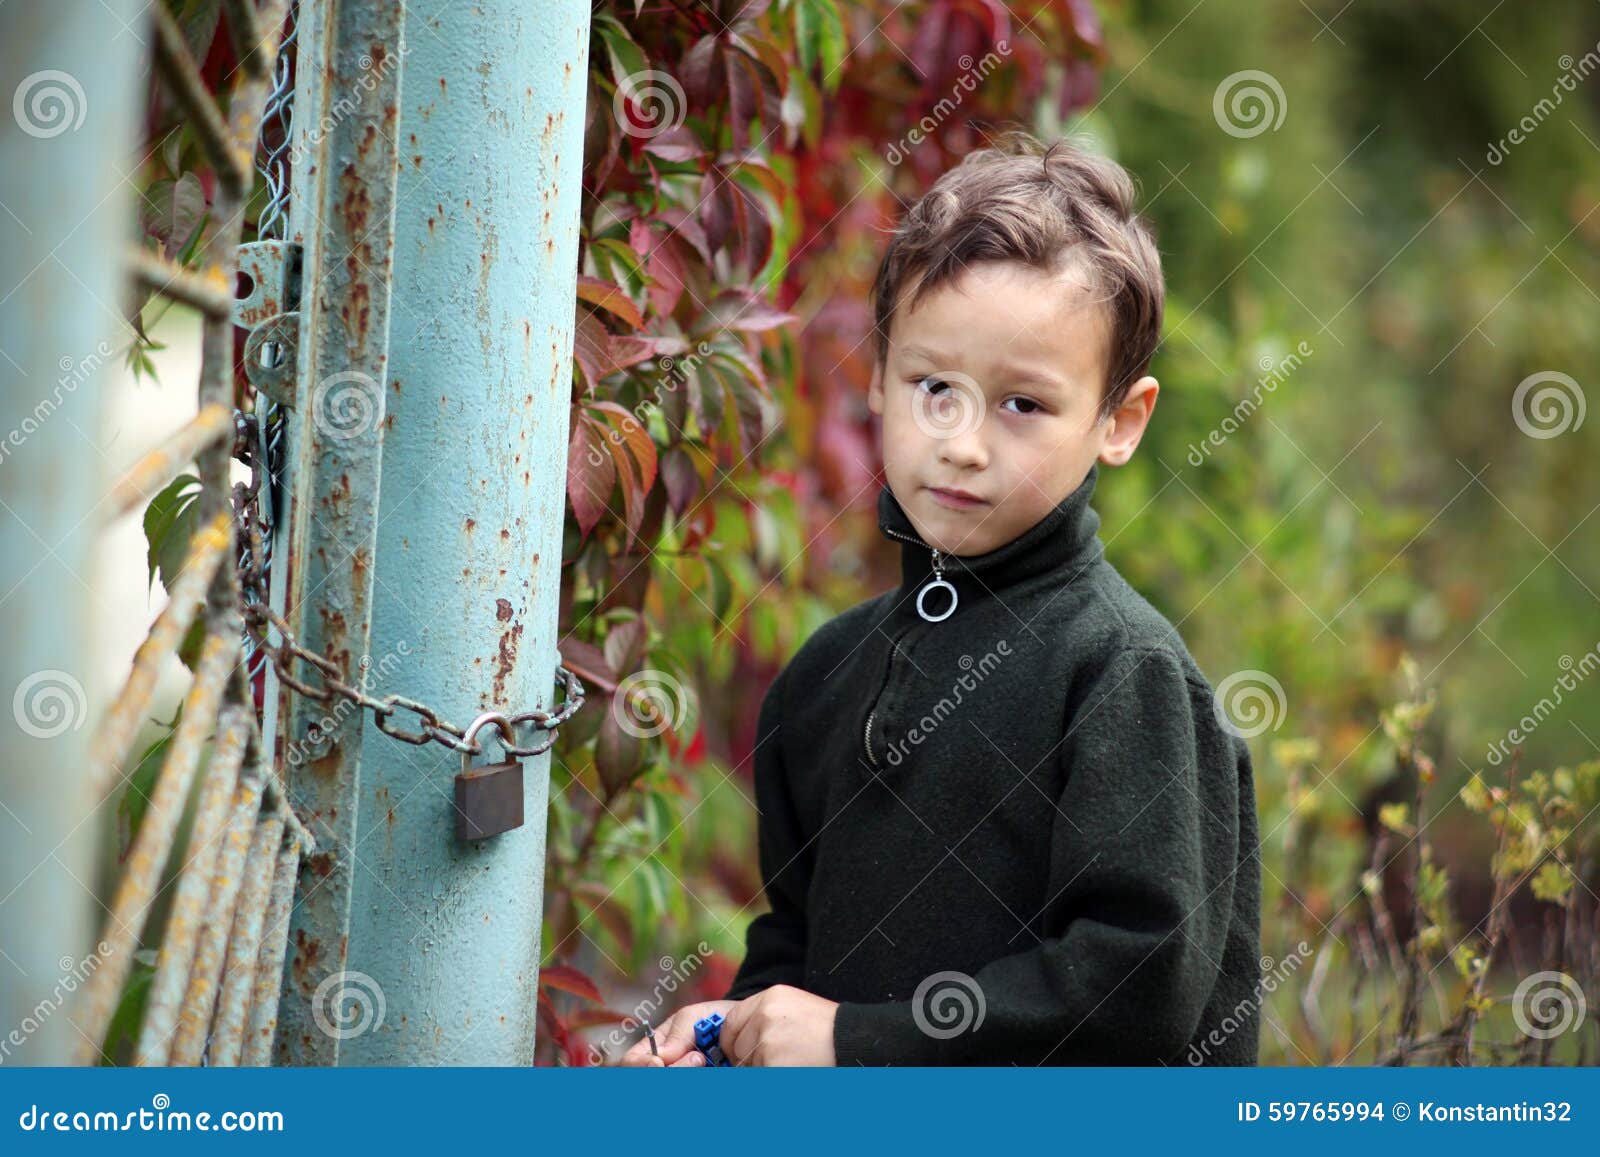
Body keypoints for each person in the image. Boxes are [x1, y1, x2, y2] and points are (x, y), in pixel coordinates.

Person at [622, 130, 1261, 1067]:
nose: (963, 443)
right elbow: (800, 950)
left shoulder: (1123, 674)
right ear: (879, 379)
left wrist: (856, 1040)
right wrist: (721, 1039)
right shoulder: (826, 677)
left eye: (1023, 405)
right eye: (934, 388)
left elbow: (1138, 989)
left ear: (1118, 421)